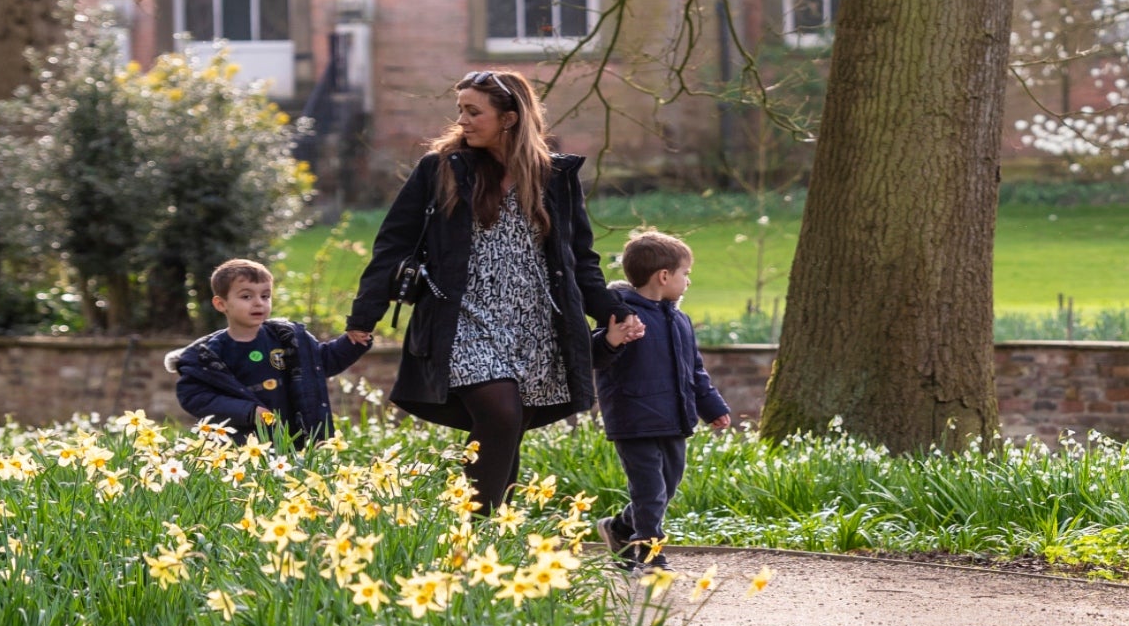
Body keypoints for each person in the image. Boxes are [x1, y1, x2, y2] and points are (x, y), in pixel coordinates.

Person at [345, 70, 642, 512]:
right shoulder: (441, 168)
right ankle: (473, 529)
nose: (462, 121)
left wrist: (609, 310)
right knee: (501, 413)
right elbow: (394, 243)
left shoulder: (554, 176)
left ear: (508, 118)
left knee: (510, 425)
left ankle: (492, 540)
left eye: (473, 111)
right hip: (462, 317)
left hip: (535, 322)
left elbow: (579, 257)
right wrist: (365, 313)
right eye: (460, 110)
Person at [593, 230, 733, 570]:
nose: (688, 281)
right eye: (686, 273)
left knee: (667, 485)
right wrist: (613, 340)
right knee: (650, 490)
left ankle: (620, 528)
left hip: (674, 418)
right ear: (664, 276)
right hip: (634, 418)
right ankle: (650, 552)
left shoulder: (680, 320)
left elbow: (694, 371)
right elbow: (595, 355)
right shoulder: (623, 316)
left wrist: (711, 406)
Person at [167, 259, 370, 444]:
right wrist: (248, 412)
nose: (258, 303)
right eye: (246, 296)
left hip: (298, 441)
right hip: (242, 447)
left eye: (265, 296)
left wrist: (352, 342)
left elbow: (322, 361)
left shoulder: (288, 338)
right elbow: (195, 397)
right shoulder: (209, 355)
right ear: (221, 304)